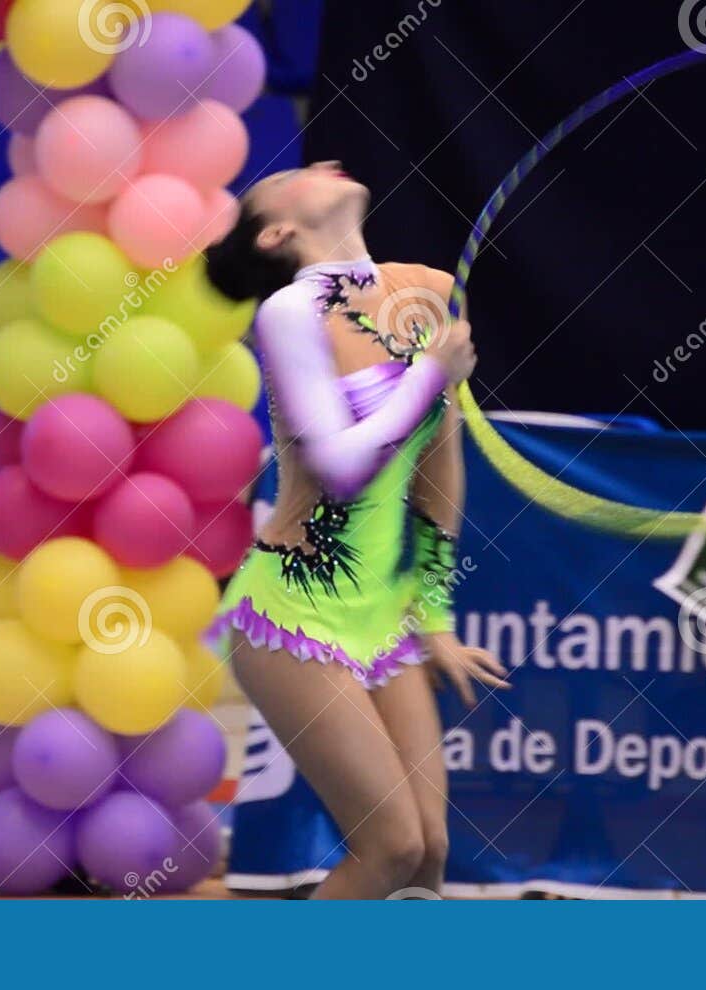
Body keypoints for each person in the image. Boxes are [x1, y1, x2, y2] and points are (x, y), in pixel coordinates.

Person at [204, 161, 509, 899]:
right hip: (293, 611)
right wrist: (428, 378)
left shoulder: (428, 292)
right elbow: (341, 467)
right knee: (390, 846)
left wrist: (433, 619)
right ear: (279, 231)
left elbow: (440, 475)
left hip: (385, 614)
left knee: (431, 851)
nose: (320, 164)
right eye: (295, 175)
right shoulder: (289, 313)